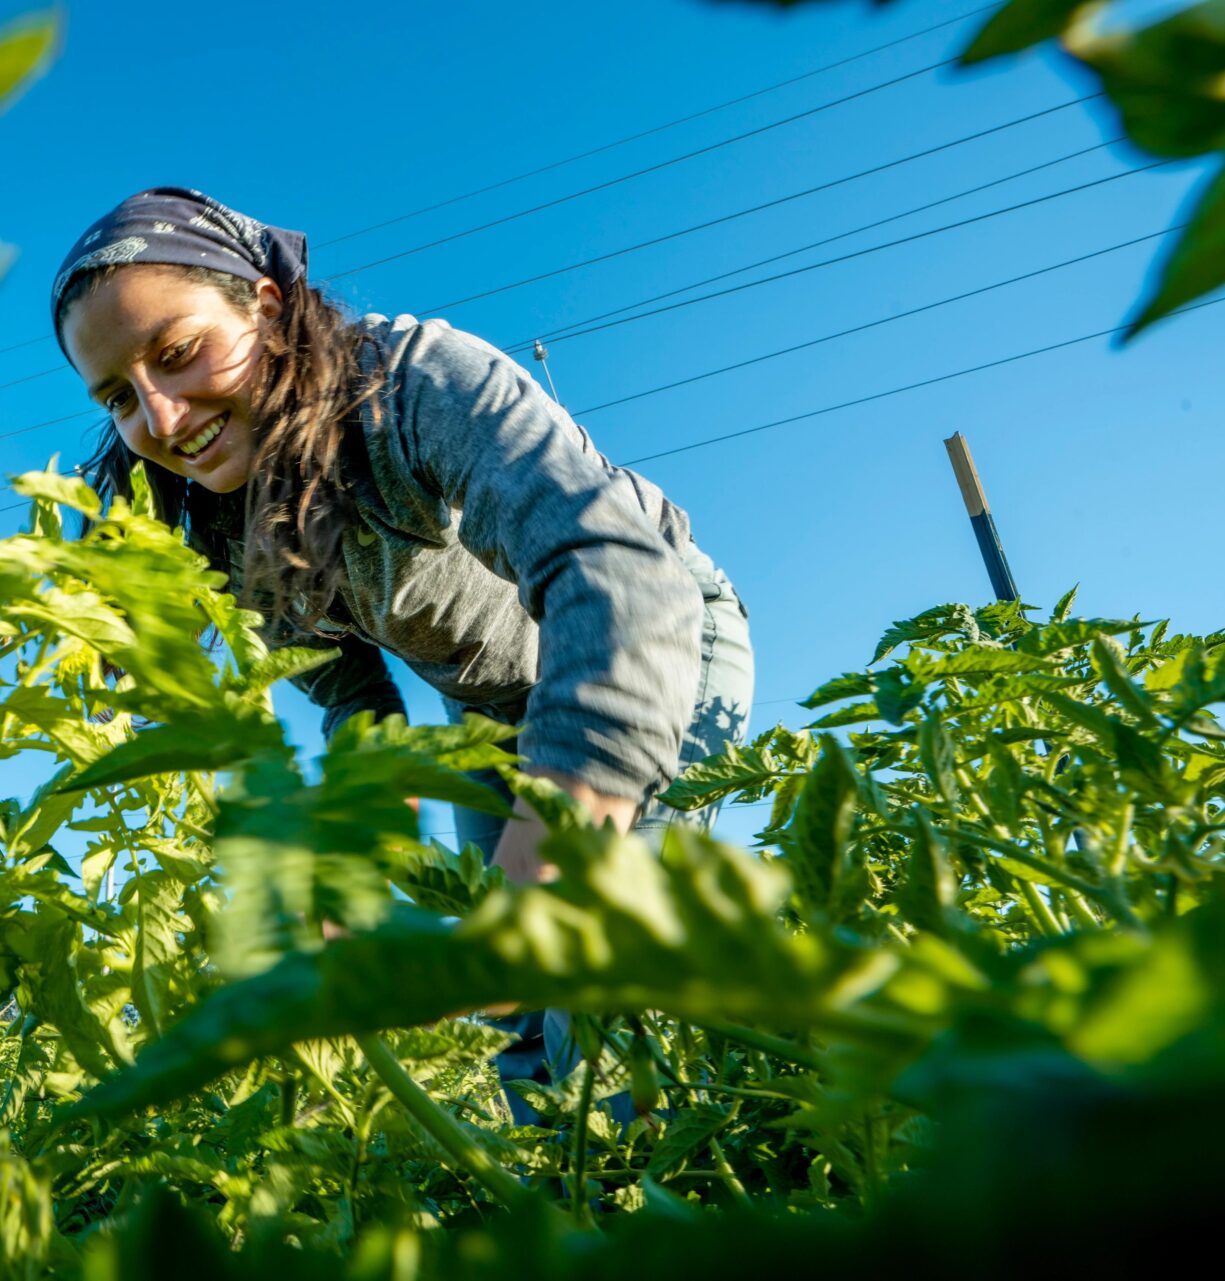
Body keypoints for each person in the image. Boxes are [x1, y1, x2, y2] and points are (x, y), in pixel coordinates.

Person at [50, 187, 753, 1123]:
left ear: (263, 302)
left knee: (601, 981)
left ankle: (703, 1196)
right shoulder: (225, 518)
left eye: (177, 354)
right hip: (492, 709)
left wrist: (541, 877)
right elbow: (351, 697)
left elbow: (613, 575)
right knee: (525, 1033)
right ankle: (570, 1212)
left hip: (654, 634)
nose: (162, 421)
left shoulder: (411, 383)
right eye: (119, 398)